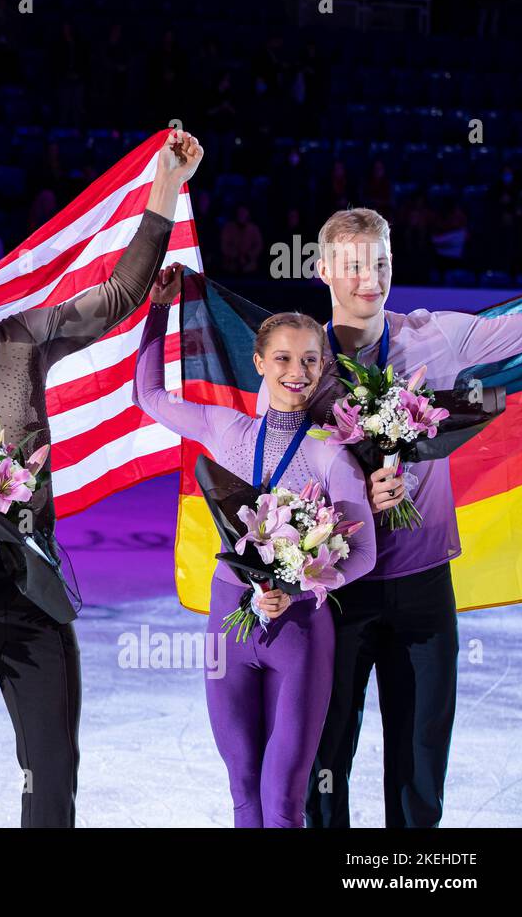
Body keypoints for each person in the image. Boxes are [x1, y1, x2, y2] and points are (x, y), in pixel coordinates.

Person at [0, 129, 203, 827]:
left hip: (33, 593)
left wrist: (165, 186)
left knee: (51, 773)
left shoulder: (24, 336)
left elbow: (119, 294)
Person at [293, 207, 522, 827]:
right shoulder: (299, 366)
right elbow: (273, 470)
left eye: (381, 263)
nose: (370, 279)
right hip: (338, 595)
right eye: (354, 266)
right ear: (322, 271)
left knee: (421, 767)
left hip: (424, 590)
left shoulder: (435, 337)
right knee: (325, 761)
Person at [134, 263, 376, 827]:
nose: (297, 372)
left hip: (299, 637)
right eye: (285, 359)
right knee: (244, 793)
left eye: (311, 360)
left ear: (325, 367)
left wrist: (300, 591)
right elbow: (147, 394)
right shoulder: (227, 430)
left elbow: (363, 553)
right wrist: (158, 309)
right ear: (259, 363)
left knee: (283, 804)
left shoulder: (331, 455)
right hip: (229, 629)